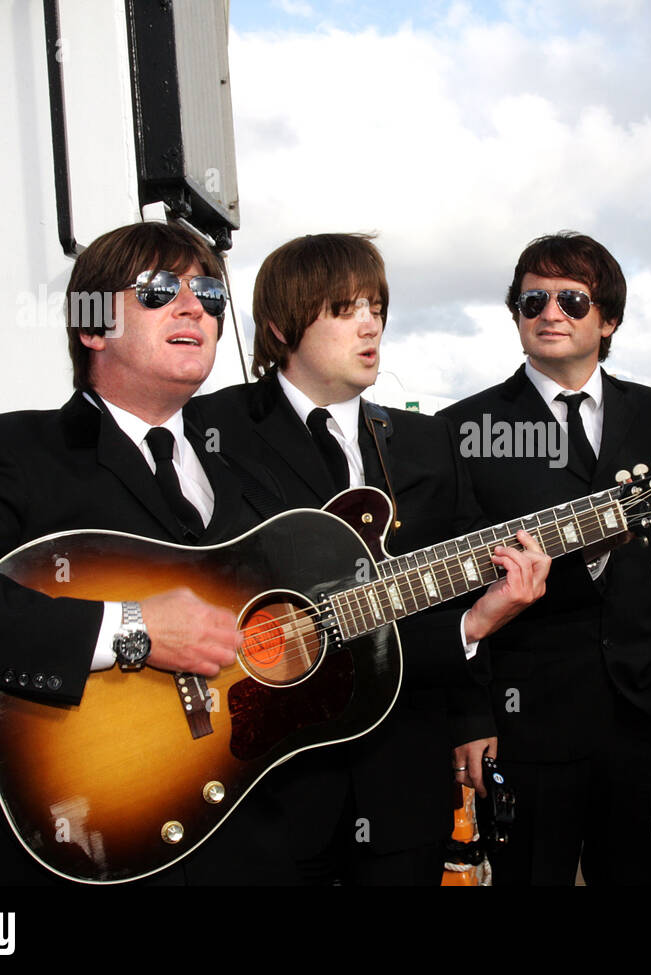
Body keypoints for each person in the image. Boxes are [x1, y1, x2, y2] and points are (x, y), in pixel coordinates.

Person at [0, 221, 308, 884]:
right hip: (74, 851)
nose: (195, 306)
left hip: (242, 846)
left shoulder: (254, 476)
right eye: (161, 289)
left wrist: (466, 625)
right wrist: (132, 628)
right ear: (91, 326)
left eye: (210, 295)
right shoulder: (17, 453)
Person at [189, 233, 549, 884]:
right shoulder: (208, 429)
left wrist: (473, 709)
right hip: (265, 775)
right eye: (342, 308)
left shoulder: (425, 440)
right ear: (278, 325)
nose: (369, 323)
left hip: (401, 773)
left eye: (375, 306)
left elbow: (453, 580)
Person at [439, 231, 651, 885]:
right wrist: (471, 716)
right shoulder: (462, 428)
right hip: (523, 726)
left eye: (573, 300)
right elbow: (450, 592)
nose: (551, 313)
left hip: (642, 715)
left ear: (609, 320)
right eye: (533, 299)